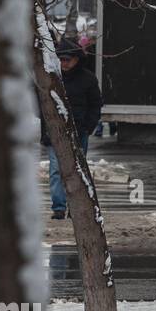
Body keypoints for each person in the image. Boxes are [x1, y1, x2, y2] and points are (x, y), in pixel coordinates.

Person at [42, 38, 104, 220]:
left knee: (77, 170)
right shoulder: (52, 77)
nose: (64, 63)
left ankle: (74, 206)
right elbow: (41, 103)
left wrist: (88, 126)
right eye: (61, 59)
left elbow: (95, 104)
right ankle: (59, 208)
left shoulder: (87, 79)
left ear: (77, 59)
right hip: (54, 131)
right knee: (56, 170)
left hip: (78, 131)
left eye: (68, 59)